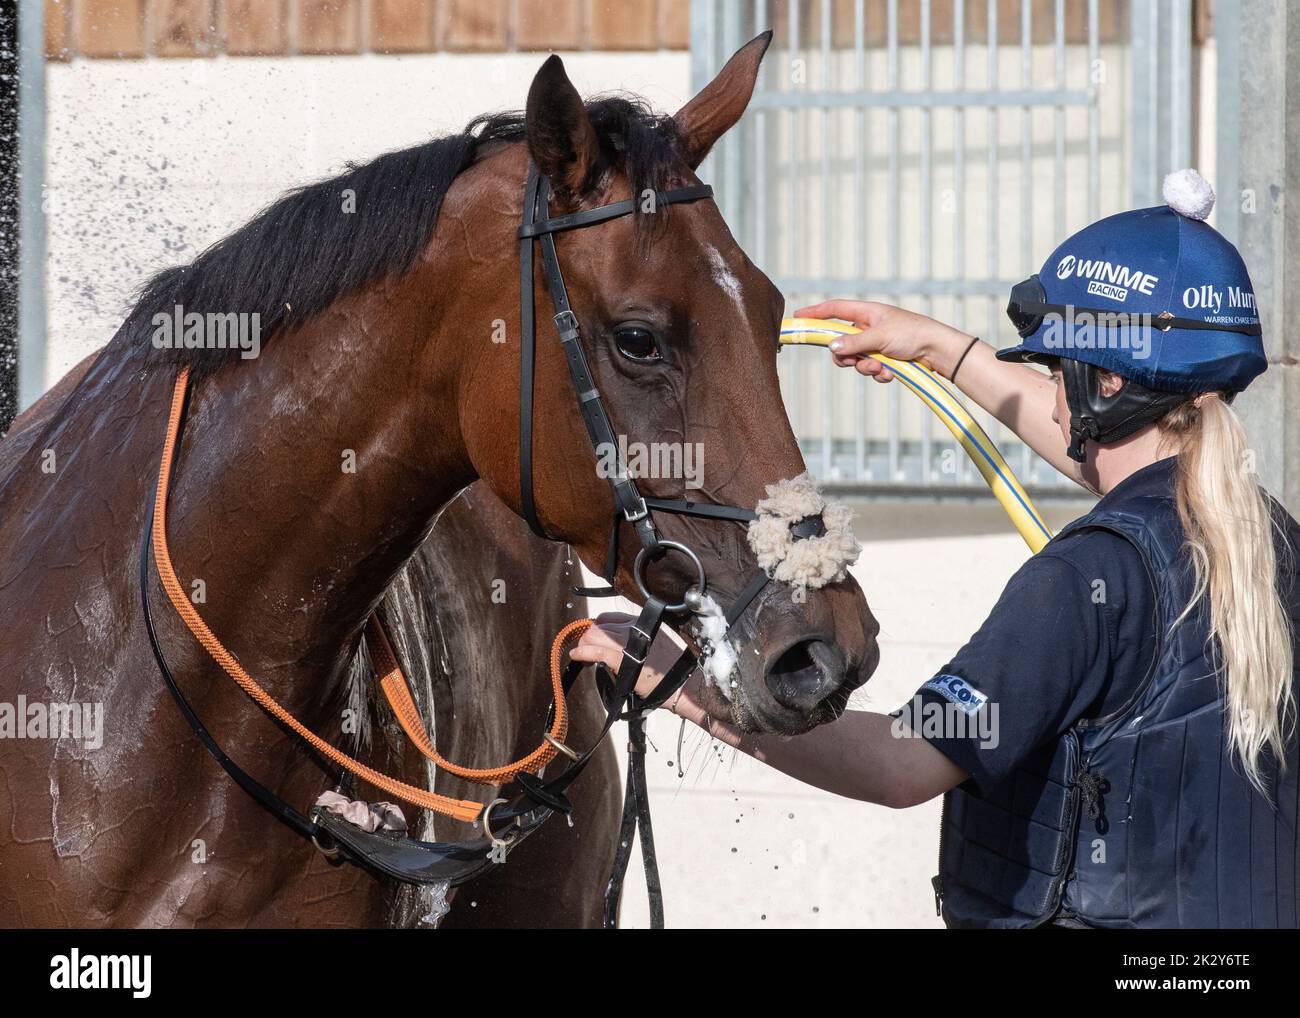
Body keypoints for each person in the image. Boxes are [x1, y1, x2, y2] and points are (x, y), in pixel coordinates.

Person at [570, 169, 1300, 928]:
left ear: (1108, 383)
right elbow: (1120, 456)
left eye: (1059, 371)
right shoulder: (1264, 540)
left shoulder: (1082, 580)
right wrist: (936, 347)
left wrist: (683, 682)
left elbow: (900, 763)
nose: (1053, 395)